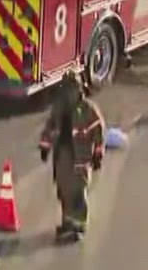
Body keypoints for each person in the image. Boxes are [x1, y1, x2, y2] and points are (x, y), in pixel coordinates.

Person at [38, 70, 104, 243]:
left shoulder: (87, 109)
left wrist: (98, 154)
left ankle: (79, 225)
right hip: (62, 156)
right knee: (64, 191)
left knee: (77, 193)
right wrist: (45, 147)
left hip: (80, 158)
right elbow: (51, 127)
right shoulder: (59, 108)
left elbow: (98, 131)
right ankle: (68, 222)